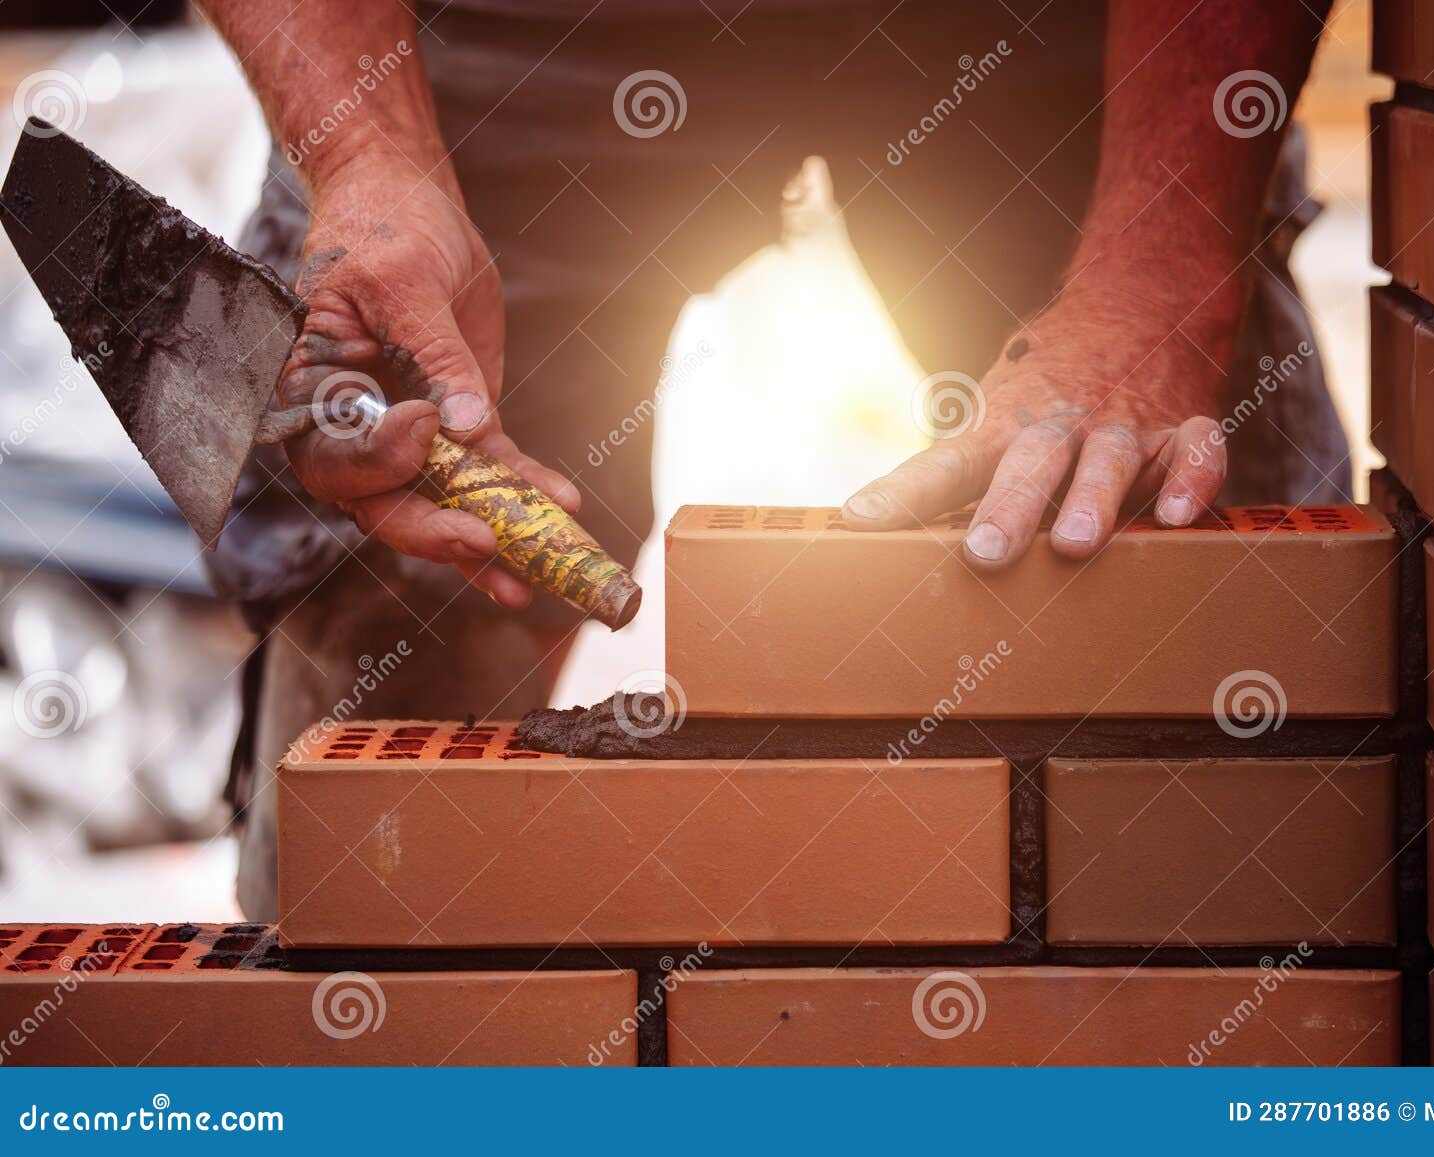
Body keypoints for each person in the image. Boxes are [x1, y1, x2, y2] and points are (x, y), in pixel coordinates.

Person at [195, 0, 1348, 919]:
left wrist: (1155, 303)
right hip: (518, 25)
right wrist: (362, 154)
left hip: (1062, 31)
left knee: (1176, 561)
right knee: (393, 534)